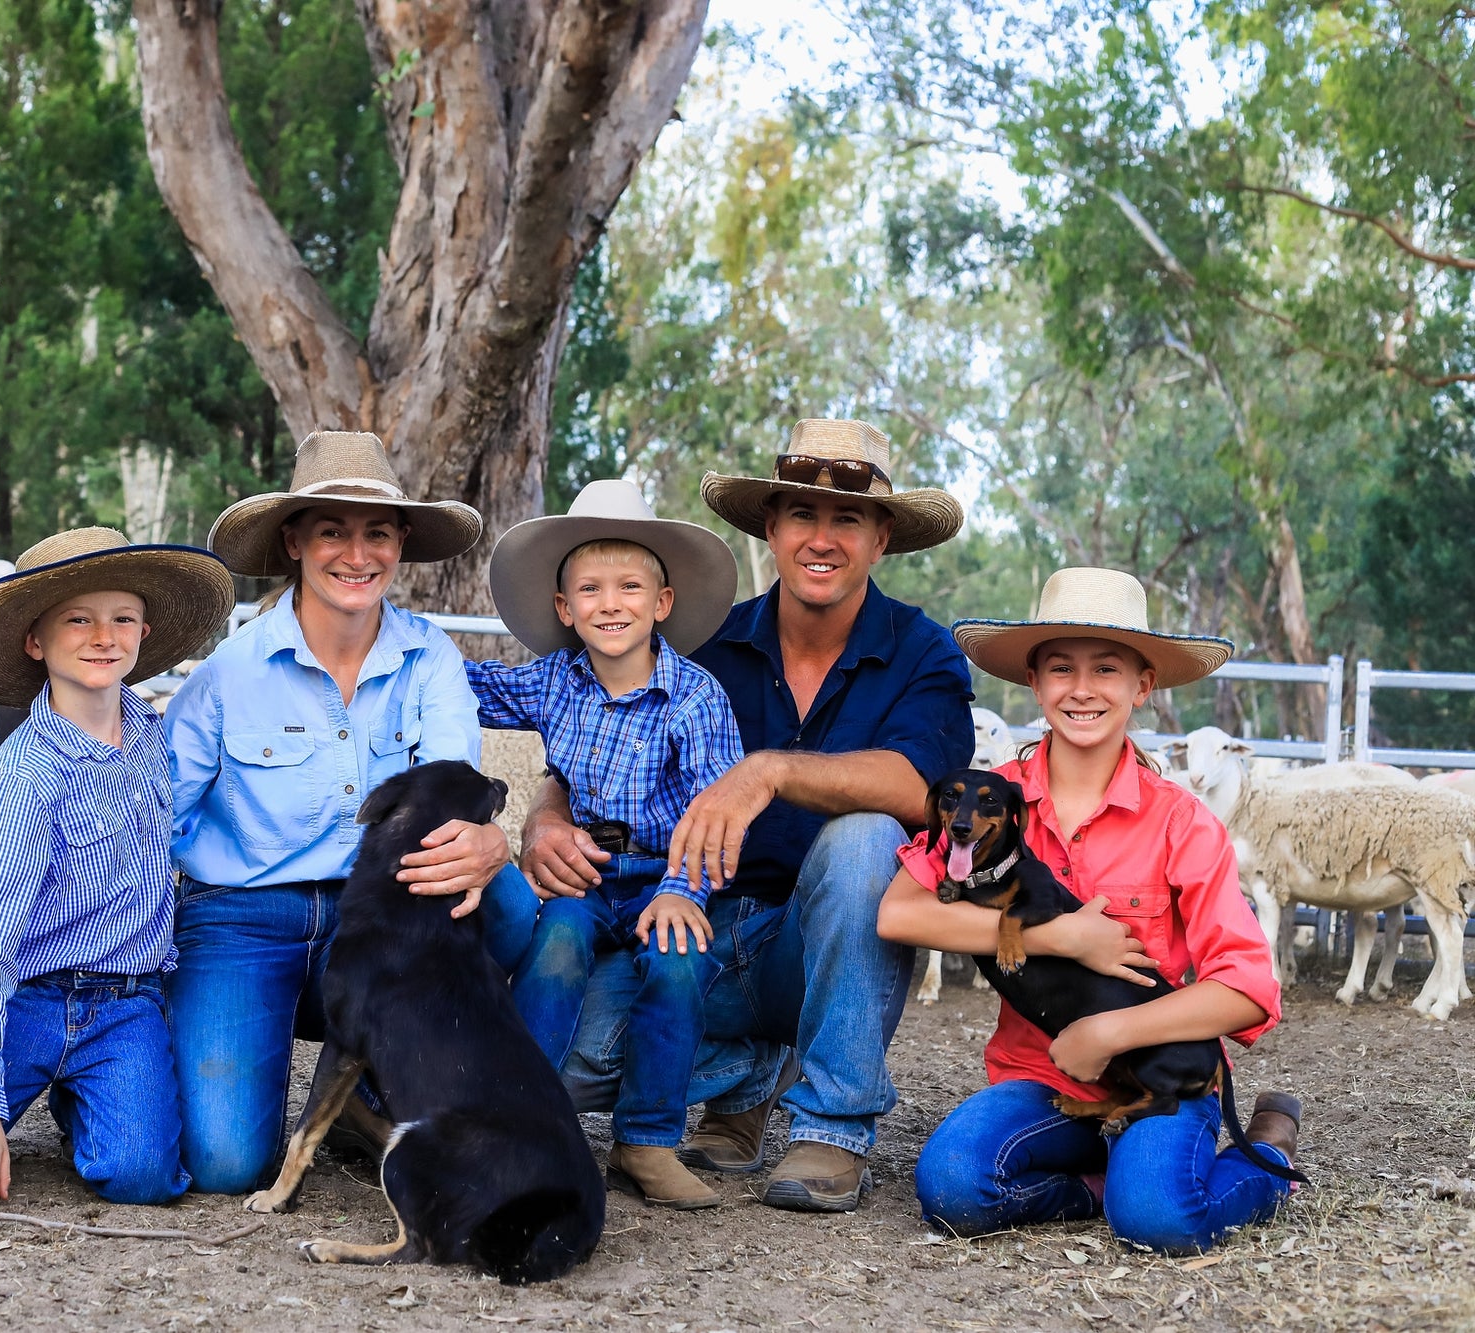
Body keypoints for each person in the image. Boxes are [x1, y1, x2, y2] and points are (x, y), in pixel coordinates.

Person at [521, 418, 976, 1213]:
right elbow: (593, 752)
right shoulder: (706, 646)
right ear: (771, 526)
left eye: (847, 518)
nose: (821, 538)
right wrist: (544, 817)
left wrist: (767, 770)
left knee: (867, 838)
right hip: (693, 917)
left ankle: (832, 1125)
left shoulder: (922, 651)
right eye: (802, 514)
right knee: (571, 1064)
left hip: (820, 942)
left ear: (881, 538)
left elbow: (919, 790)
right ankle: (753, 1074)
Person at [879, 567, 1301, 1254]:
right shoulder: (986, 798)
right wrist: (1059, 936)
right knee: (954, 1184)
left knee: (1159, 1218)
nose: (1081, 688)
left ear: (1142, 685)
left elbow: (1249, 989)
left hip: (1156, 1071)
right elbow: (899, 914)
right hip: (1043, 1075)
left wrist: (1109, 1031)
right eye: (1061, 668)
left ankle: (1268, 1154)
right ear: (1035, 682)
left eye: (1106, 668)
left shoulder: (1182, 822)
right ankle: (1098, 1187)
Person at [164, 430, 542, 1195]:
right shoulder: (228, 674)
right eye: (332, 531)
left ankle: (374, 1092)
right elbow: (155, 820)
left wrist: (485, 839)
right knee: (226, 1162)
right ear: (295, 541)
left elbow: (454, 793)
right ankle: (155, 1046)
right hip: (244, 914)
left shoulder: (429, 657)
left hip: (374, 912)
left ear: (401, 542)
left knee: (505, 903)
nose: (357, 554)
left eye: (378, 533)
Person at [0, 528, 236, 1208]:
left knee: (141, 1177)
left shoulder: (152, 738)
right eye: (77, 619)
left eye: (121, 618)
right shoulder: (28, 775)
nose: (103, 636)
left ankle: (80, 1094)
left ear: (143, 632)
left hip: (126, 1002)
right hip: (26, 999)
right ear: (36, 641)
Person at [467, 479, 744, 1209]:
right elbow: (470, 687)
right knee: (555, 943)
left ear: (663, 602)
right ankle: (518, 1119)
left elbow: (716, 813)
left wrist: (683, 890)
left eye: (630, 587)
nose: (609, 603)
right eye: (589, 589)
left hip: (666, 874)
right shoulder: (554, 681)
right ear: (565, 608)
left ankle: (646, 1140)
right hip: (584, 873)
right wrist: (394, 642)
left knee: (679, 962)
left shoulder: (695, 697)